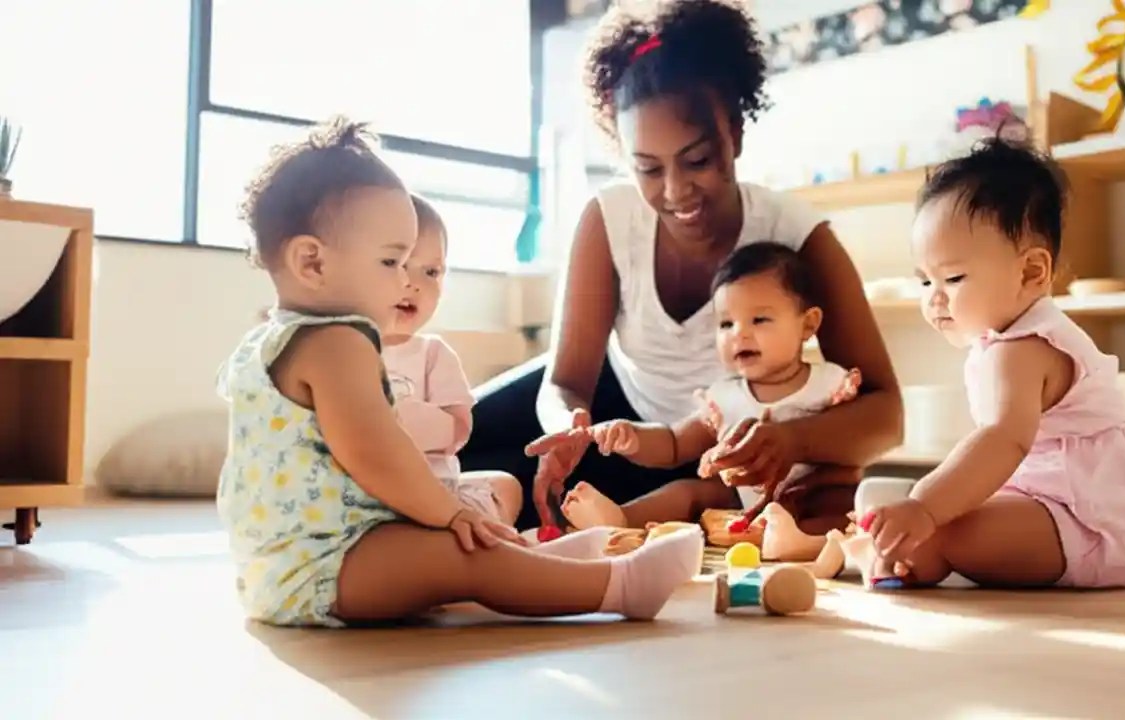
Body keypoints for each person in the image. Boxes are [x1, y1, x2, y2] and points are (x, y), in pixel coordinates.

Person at [215, 117, 704, 628]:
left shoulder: (271, 342)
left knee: (466, 540)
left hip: (293, 563)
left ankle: (552, 562)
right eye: (391, 262)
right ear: (312, 263)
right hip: (327, 565)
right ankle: (617, 587)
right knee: (466, 553)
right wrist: (450, 513)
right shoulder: (338, 343)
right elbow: (377, 455)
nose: (406, 280)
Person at [459, 0, 903, 534]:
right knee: (448, 441)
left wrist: (792, 439)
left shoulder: (796, 235)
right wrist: (568, 427)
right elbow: (565, 383)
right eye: (647, 168)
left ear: (734, 135)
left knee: (531, 507)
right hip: (617, 415)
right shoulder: (610, 218)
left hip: (714, 451)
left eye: (696, 161)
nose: (674, 192)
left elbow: (887, 416)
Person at [853, 136, 1125, 590]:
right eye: (924, 280)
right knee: (889, 502)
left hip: (1085, 526)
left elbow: (1003, 441)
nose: (934, 298)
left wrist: (926, 506)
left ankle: (905, 551)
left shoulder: (1025, 347)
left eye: (953, 278)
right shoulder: (1004, 340)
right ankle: (895, 550)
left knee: (942, 525)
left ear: (1031, 273)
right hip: (1048, 502)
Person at [559, 241, 862, 531]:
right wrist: (632, 436)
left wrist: (821, 480)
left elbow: (852, 451)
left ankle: (801, 540)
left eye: (759, 319)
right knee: (690, 493)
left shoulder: (830, 384)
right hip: (744, 506)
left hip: (809, 498)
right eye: (726, 324)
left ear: (808, 325)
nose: (739, 335)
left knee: (843, 499)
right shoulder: (724, 398)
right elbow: (675, 443)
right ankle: (619, 519)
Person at [382, 194, 523, 526]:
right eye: (399, 265)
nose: (415, 284)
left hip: (436, 494)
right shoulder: (340, 349)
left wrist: (414, 421)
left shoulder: (433, 353)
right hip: (364, 494)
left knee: (505, 487)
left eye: (431, 271)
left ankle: (459, 543)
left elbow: (460, 427)